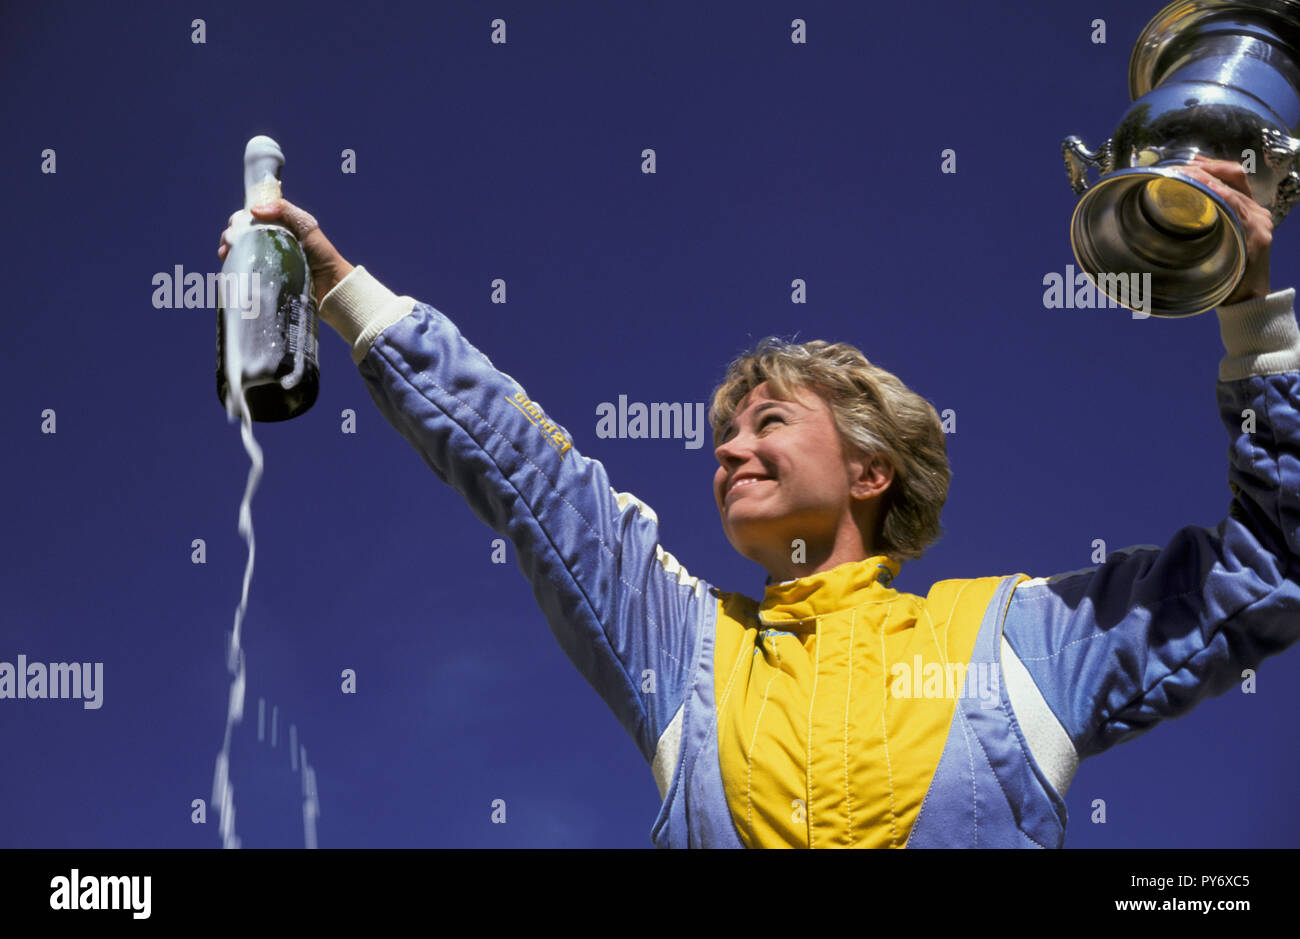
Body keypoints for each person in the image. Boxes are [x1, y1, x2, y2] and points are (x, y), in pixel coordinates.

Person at [218, 156, 1300, 848]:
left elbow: (1272, 567)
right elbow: (529, 475)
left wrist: (1250, 309)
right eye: (723, 435)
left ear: (871, 471)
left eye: (768, 421)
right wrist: (336, 285)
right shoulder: (687, 645)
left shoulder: (1017, 643)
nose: (730, 447)